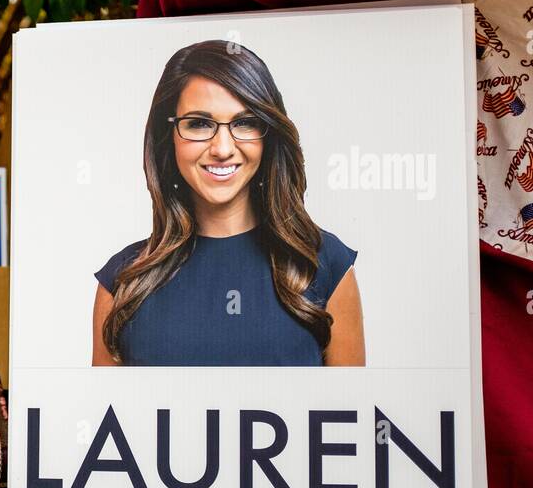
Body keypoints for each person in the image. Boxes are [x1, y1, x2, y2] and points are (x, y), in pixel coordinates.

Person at [92, 39, 365, 367]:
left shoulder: (324, 265)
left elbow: (352, 416)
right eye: (199, 123)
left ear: (268, 134)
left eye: (244, 122)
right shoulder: (123, 283)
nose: (223, 148)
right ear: (170, 137)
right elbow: (101, 418)